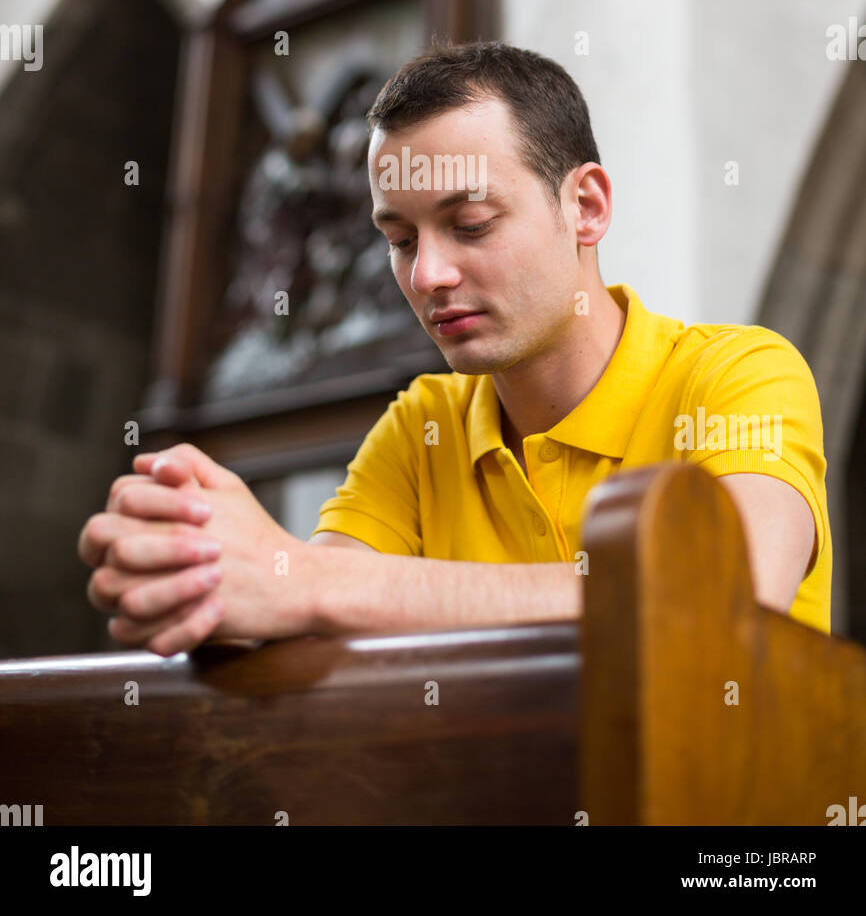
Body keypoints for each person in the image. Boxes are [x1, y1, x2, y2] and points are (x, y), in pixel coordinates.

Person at [78, 41, 831, 656]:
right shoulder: (422, 425)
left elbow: (722, 588)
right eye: (399, 240)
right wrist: (196, 568)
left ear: (586, 206)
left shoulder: (739, 375)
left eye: (469, 224)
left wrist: (300, 582)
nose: (428, 275)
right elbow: (308, 610)